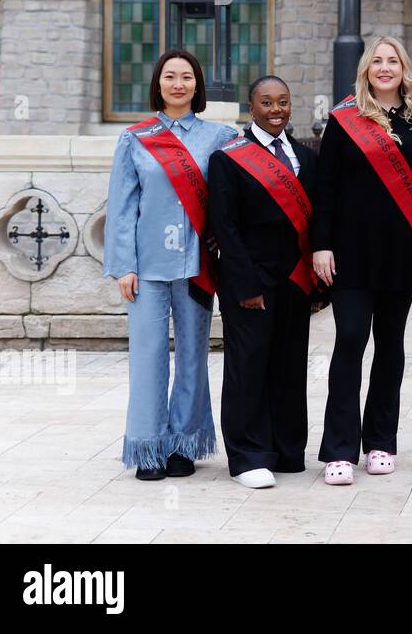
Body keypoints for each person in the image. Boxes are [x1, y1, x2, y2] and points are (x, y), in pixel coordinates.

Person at [103, 49, 237, 480]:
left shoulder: (220, 137)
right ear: (157, 84)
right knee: (148, 356)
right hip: (147, 265)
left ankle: (183, 443)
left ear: (198, 85)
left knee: (194, 355)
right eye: (169, 77)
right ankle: (148, 446)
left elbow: (232, 197)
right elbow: (122, 206)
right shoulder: (135, 139)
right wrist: (124, 265)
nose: (178, 84)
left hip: (198, 264)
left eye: (186, 77)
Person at [313, 36, 412, 486]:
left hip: (401, 252)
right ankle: (339, 449)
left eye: (393, 61)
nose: (385, 68)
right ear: (366, 68)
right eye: (377, 61)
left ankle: (381, 441)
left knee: (391, 345)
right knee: (350, 339)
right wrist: (321, 244)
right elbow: (325, 186)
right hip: (349, 251)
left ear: (404, 69)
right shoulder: (344, 119)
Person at [208, 75, 321, 489]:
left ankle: (286, 450)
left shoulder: (305, 157)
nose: (276, 110)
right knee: (248, 366)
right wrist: (246, 285)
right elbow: (225, 227)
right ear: (251, 107)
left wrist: (316, 282)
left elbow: (315, 220)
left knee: (289, 365)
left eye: (283, 102)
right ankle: (248, 456)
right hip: (250, 279)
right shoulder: (229, 159)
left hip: (295, 278)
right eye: (267, 102)